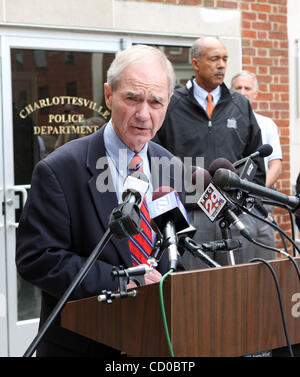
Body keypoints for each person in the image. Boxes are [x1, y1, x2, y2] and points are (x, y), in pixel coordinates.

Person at [16, 45, 184, 357]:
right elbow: (37, 258)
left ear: (167, 104)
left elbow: (175, 243)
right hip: (83, 345)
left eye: (155, 101)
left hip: (155, 339)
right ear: (109, 95)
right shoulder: (59, 169)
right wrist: (123, 282)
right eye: (132, 98)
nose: (144, 114)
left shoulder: (170, 165)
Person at [154, 37, 266, 268]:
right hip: (191, 216)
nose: (222, 65)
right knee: (194, 294)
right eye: (214, 59)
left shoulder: (240, 105)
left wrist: (249, 209)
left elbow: (256, 160)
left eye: (225, 59)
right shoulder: (171, 105)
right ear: (195, 63)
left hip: (235, 216)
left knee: (238, 291)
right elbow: (156, 162)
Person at [231, 71, 283, 259]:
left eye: (247, 88)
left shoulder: (267, 124)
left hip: (261, 203)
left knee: (265, 257)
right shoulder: (226, 123)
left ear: (256, 93)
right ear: (232, 91)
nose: (243, 92)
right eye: (238, 88)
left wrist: (257, 190)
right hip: (234, 204)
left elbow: (275, 164)